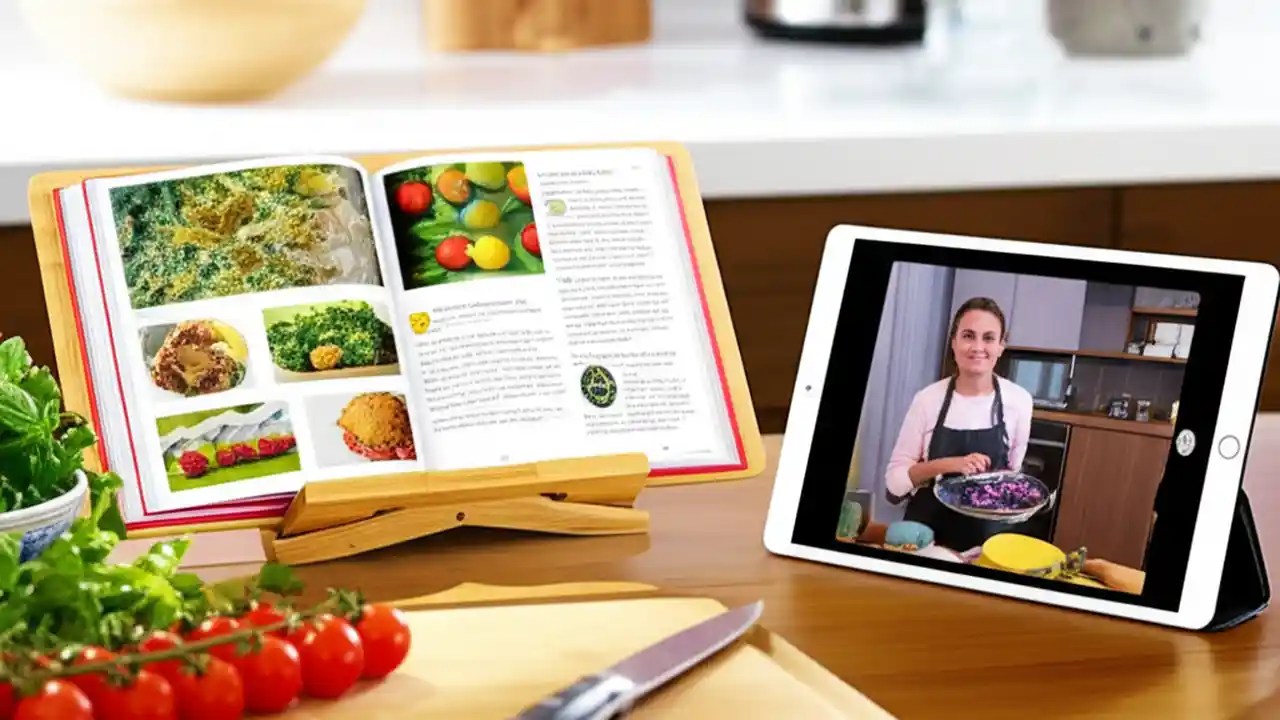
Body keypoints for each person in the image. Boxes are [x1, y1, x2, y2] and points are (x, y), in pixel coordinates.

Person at [884, 296, 1034, 552]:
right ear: (953, 342)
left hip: (986, 543)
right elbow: (895, 482)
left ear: (1001, 346)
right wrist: (952, 464)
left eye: (988, 338)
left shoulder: (1019, 401)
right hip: (925, 537)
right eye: (968, 335)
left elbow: (1011, 473)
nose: (978, 346)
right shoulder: (927, 399)